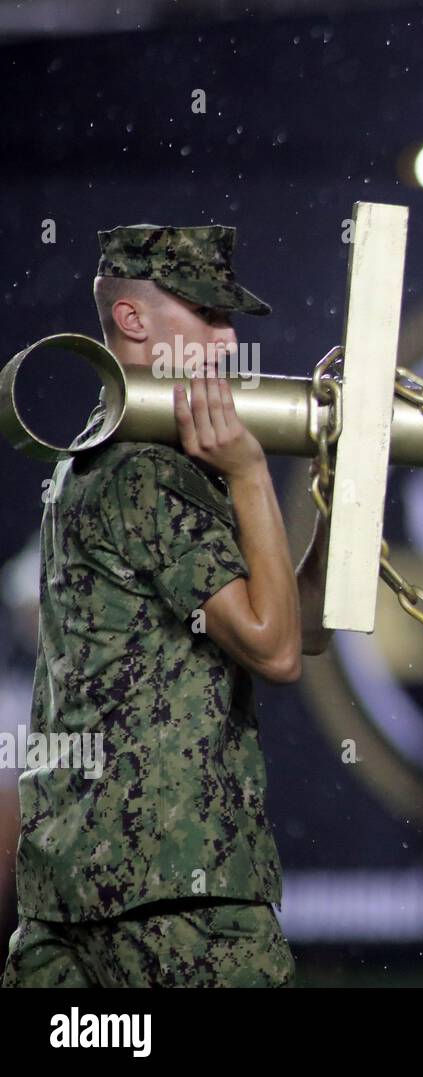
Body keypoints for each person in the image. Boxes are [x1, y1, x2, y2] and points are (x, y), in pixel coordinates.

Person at [2, 224, 332, 988]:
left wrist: (337, 501)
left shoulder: (91, 451)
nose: (225, 342)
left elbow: (299, 627)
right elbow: (276, 651)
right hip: (180, 895)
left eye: (228, 322)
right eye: (207, 316)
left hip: (69, 895)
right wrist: (251, 474)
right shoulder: (150, 470)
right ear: (132, 320)